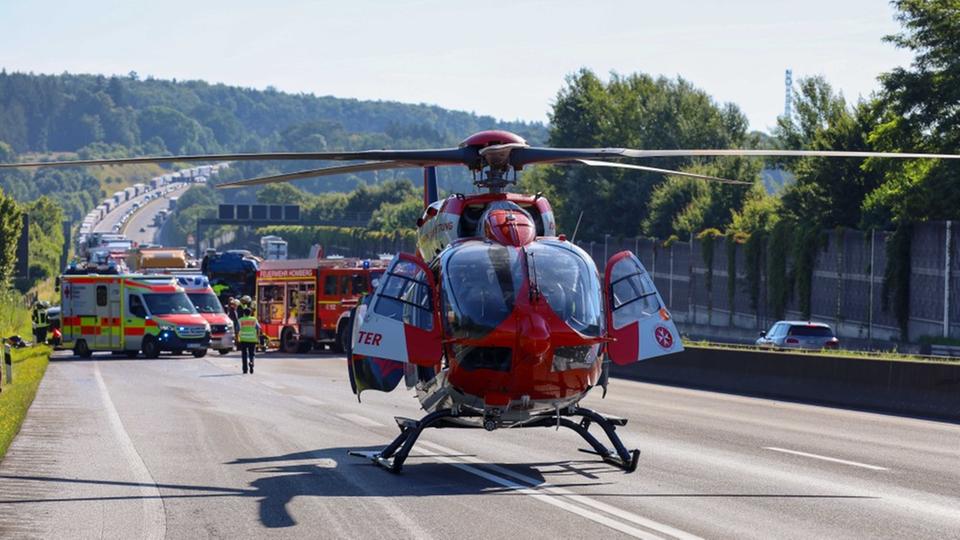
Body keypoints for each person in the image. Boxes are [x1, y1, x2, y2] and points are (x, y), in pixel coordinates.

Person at [237, 307, 260, 374]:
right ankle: (251, 362)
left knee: (244, 354)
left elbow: (237, 330)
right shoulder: (254, 320)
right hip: (252, 339)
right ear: (251, 313)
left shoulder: (240, 320)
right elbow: (258, 328)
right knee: (252, 354)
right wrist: (257, 337)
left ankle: (245, 369)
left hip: (243, 339)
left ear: (244, 313)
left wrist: (237, 338)